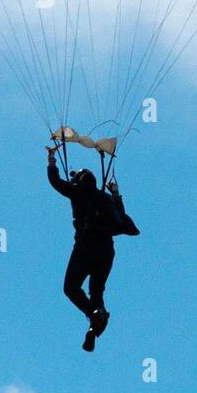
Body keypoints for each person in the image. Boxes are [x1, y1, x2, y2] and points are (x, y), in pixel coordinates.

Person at [46, 144, 140, 352]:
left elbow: (55, 182)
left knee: (71, 288)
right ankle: (96, 321)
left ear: (79, 180)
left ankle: (94, 314)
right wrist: (115, 192)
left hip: (86, 246)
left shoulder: (78, 191)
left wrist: (52, 160)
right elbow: (121, 216)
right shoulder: (105, 198)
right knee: (96, 292)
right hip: (106, 250)